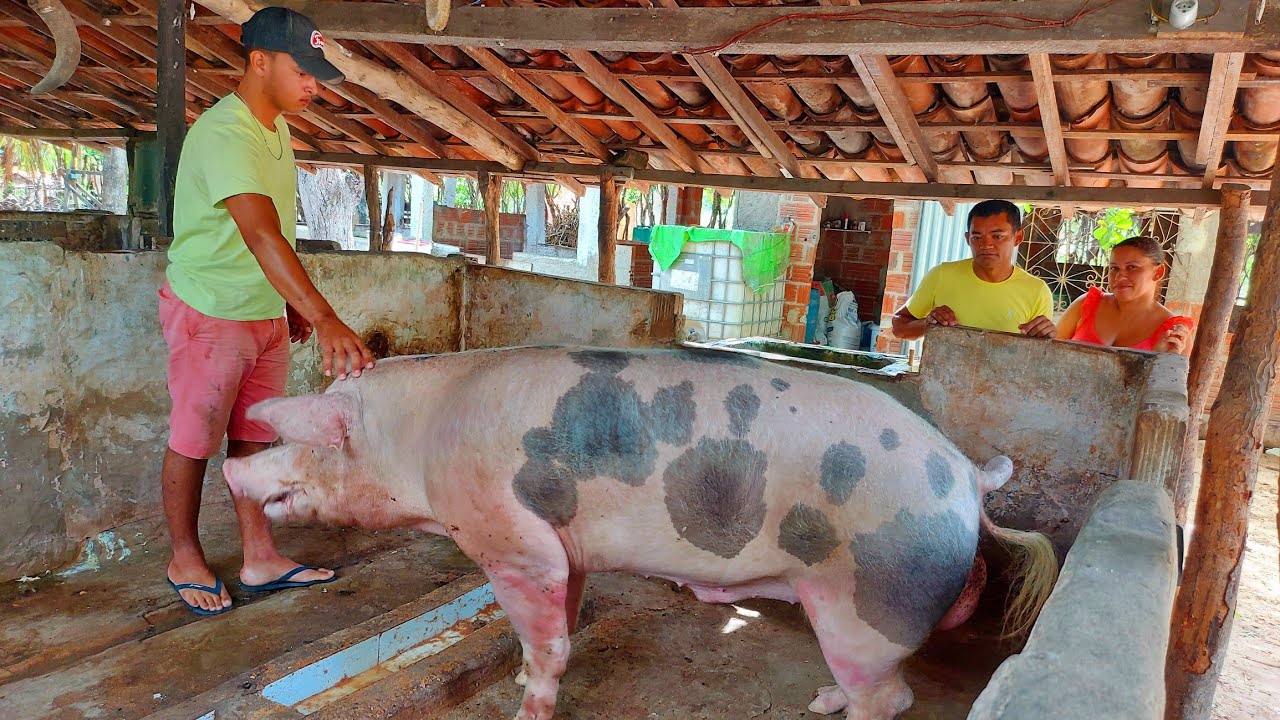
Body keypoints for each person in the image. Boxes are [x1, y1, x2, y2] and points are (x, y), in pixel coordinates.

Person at [160, 6, 375, 616]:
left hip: (260, 312)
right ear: (260, 62)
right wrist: (325, 315)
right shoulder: (225, 133)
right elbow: (260, 235)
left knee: (253, 438)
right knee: (195, 440)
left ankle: (260, 555)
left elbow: (271, 233)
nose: (312, 84)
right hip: (211, 310)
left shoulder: (275, 128)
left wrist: (286, 303)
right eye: (303, 71)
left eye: (316, 74)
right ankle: (184, 556)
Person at [892, 200, 1056, 340]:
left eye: (997, 236)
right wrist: (928, 324)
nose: (986, 245)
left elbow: (1040, 352)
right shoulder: (942, 275)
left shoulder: (1037, 291)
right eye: (977, 237)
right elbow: (899, 326)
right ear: (967, 239)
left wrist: (1047, 338)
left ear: (1018, 237)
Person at [1055, 235, 1194, 354]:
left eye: (1132, 267)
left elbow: (1173, 382)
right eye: (1114, 268)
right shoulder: (1087, 305)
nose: (1120, 277)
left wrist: (1162, 359)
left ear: (1158, 272)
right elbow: (1049, 352)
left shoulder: (1174, 334)